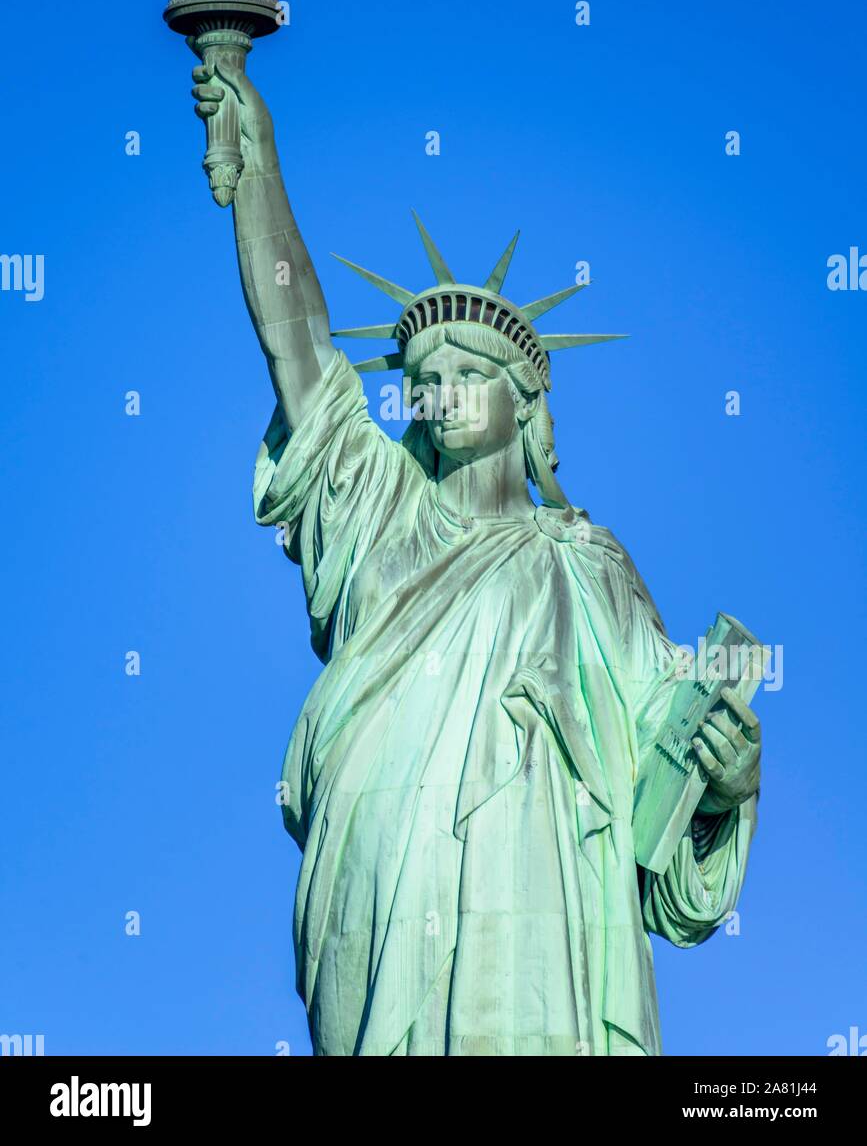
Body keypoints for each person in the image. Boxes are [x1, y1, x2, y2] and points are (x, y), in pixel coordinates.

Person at [191, 52, 762, 1057]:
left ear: (526, 401)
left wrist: (724, 781)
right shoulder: (374, 509)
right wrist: (262, 165)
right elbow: (299, 347)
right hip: (379, 882)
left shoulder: (588, 565)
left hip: (544, 900)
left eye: (469, 371)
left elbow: (658, 793)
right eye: (422, 376)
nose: (442, 390)